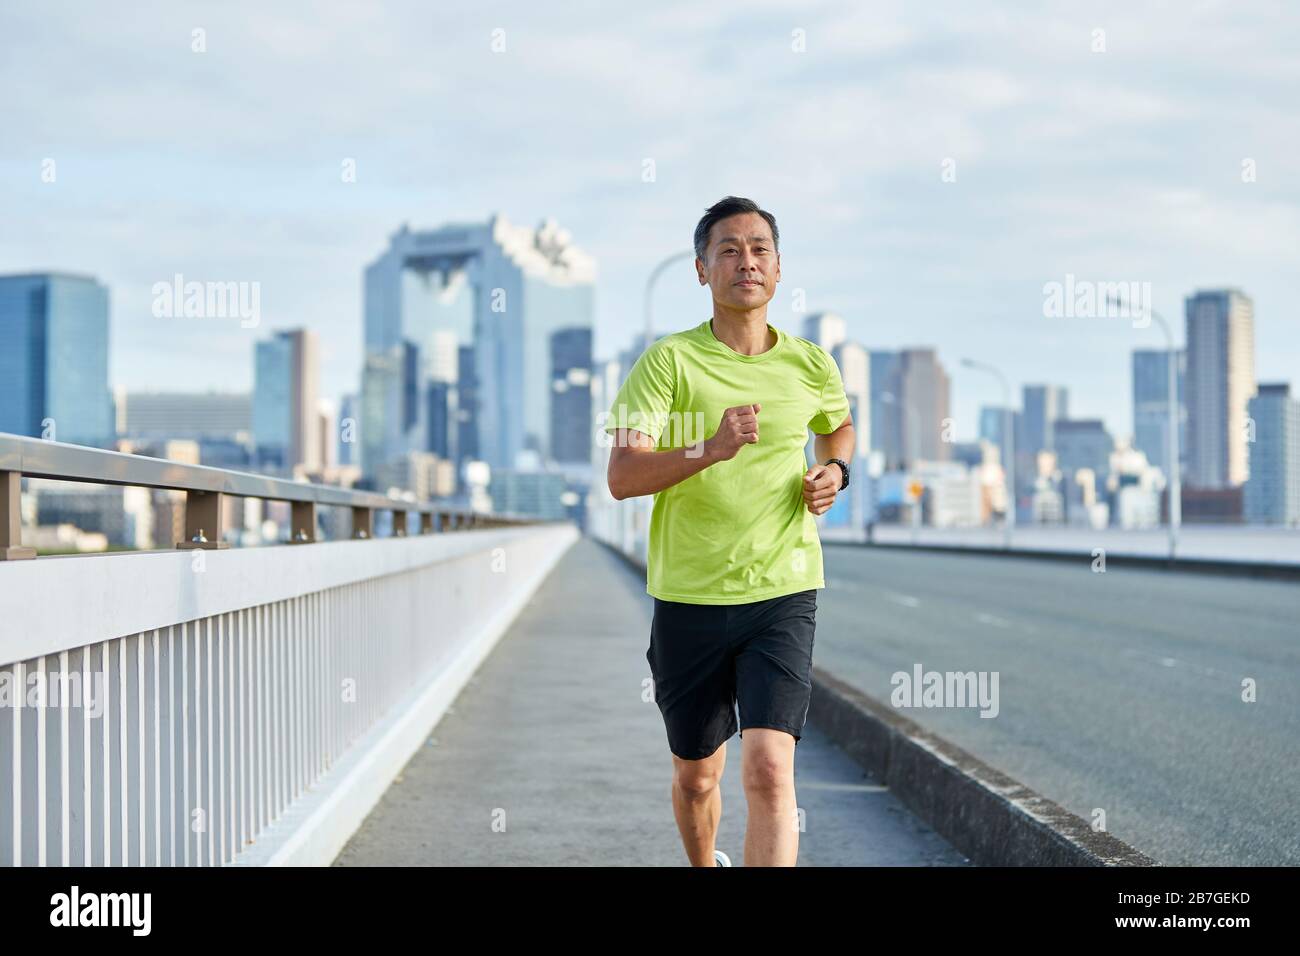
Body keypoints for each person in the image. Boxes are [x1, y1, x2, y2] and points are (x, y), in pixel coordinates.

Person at [604, 196, 855, 866]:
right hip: (690, 594)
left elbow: (838, 426)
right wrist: (708, 450)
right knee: (698, 776)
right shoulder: (668, 364)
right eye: (729, 249)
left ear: (777, 270)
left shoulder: (809, 363)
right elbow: (622, 475)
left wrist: (836, 469)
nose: (746, 260)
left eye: (759, 248)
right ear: (702, 270)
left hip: (783, 590)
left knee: (771, 770)